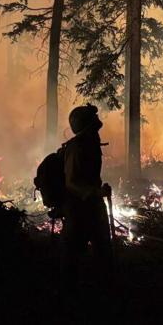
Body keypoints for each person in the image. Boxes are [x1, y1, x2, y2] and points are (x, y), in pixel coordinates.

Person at [62, 104, 112, 279]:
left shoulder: (91, 142)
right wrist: (95, 192)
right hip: (78, 208)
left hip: (93, 205)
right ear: (86, 123)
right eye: (94, 118)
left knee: (103, 251)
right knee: (73, 256)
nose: (98, 121)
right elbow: (71, 182)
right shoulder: (77, 147)